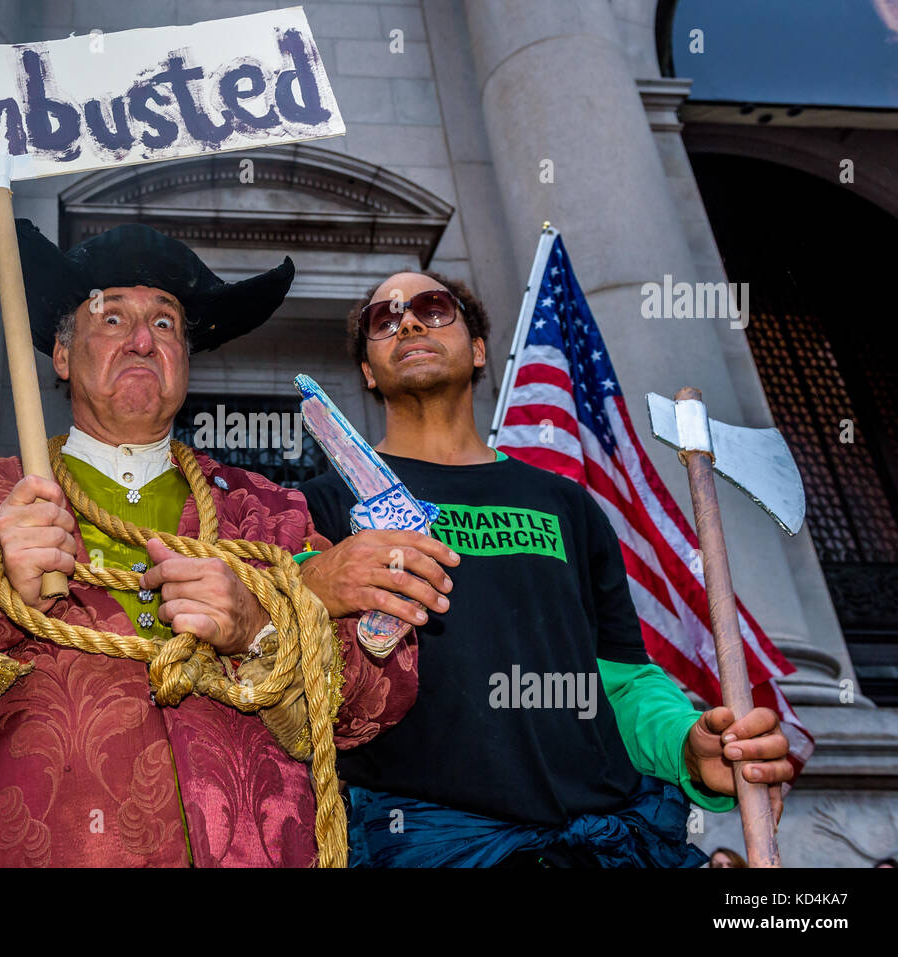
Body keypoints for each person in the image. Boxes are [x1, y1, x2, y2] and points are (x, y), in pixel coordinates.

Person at [0, 221, 420, 867]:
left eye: (165, 324)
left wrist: (258, 627)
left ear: (185, 358)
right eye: (110, 317)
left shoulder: (270, 513)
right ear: (60, 353)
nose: (141, 339)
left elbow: (375, 704)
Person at [299, 270, 794, 867]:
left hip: (608, 841)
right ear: (368, 372)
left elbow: (622, 681)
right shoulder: (320, 505)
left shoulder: (566, 504)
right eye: (385, 319)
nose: (408, 322)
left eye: (433, 308)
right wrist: (310, 583)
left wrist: (689, 748)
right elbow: (283, 657)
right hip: (424, 842)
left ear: (478, 349)